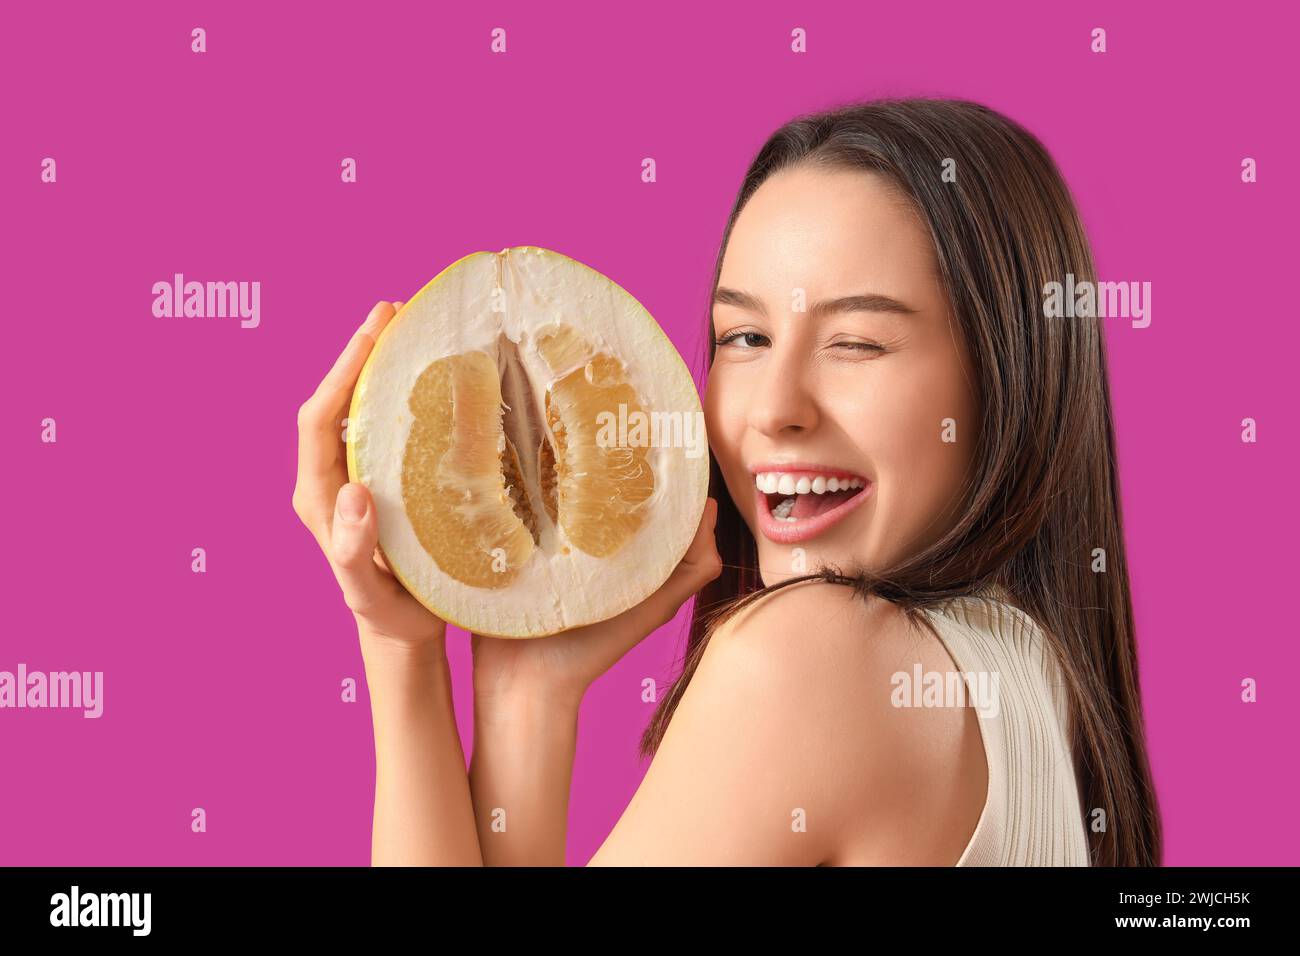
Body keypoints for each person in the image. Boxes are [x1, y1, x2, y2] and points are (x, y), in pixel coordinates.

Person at [292, 98, 1162, 867]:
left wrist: (400, 660)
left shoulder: (814, 658)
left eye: (857, 342)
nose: (774, 410)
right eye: (745, 338)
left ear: (1011, 378)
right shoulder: (1038, 686)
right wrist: (528, 690)